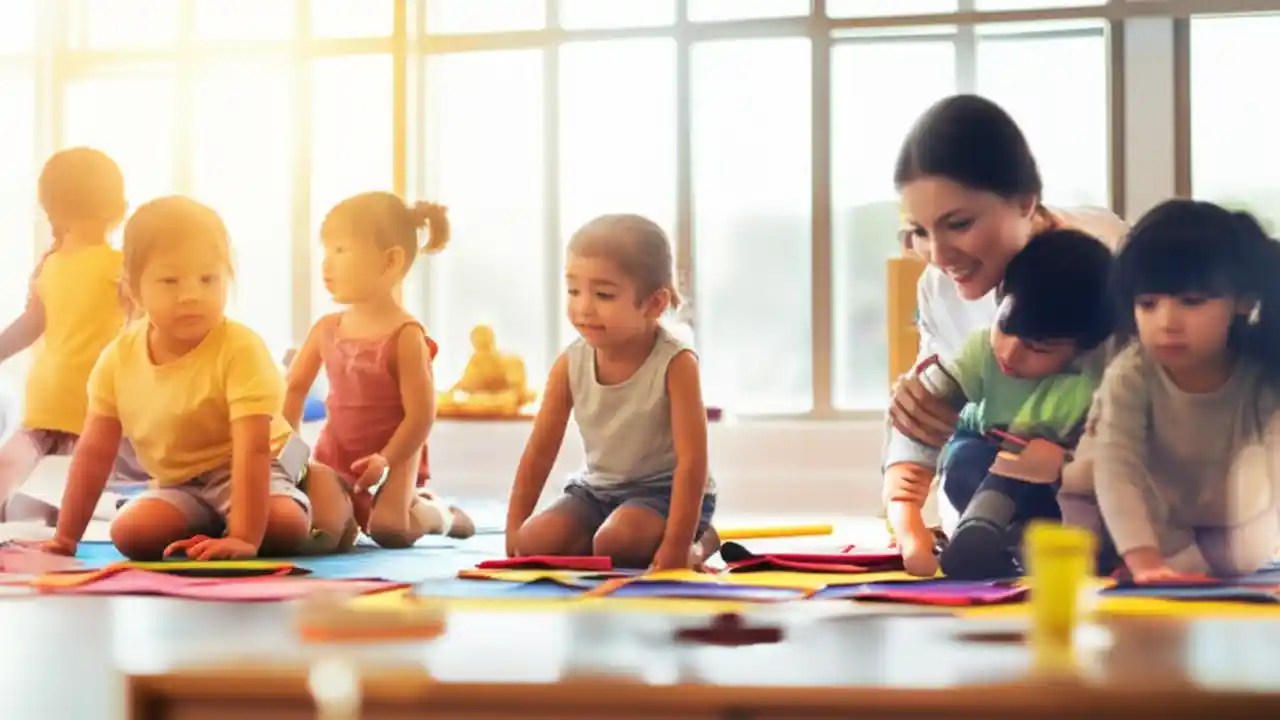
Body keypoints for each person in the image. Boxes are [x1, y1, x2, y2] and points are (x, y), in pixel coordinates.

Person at [882, 94, 1128, 564]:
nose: (938, 254)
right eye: (919, 230)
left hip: (1110, 489)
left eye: (959, 224)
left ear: (1024, 201)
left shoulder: (1110, 259)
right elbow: (929, 408)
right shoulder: (938, 287)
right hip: (993, 482)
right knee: (967, 463)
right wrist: (907, 513)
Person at [41, 196, 354, 560]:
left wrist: (244, 538)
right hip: (181, 483)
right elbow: (94, 453)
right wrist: (66, 536)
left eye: (208, 279)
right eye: (170, 280)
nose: (191, 295)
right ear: (133, 289)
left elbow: (251, 449)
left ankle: (317, 485)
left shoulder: (240, 348)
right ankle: (215, 525)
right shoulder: (118, 358)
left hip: (260, 463)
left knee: (282, 526)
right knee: (130, 533)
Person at [884, 229, 1114, 578]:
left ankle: (1022, 542)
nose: (1010, 353)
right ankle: (989, 535)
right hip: (985, 462)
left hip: (1058, 486)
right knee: (964, 461)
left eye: (1039, 349)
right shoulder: (980, 352)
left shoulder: (1092, 381)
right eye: (1005, 326)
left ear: (1079, 350)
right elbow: (923, 414)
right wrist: (908, 523)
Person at [505, 214, 717, 570]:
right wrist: (514, 529)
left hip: (662, 492)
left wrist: (677, 547)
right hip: (597, 491)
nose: (583, 307)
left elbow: (692, 462)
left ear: (654, 304)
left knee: (615, 541)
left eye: (603, 294)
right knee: (533, 543)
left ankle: (704, 537)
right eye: (573, 290)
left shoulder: (677, 364)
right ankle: (608, 531)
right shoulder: (570, 364)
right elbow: (540, 452)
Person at [1092, 200, 1280, 582]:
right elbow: (1117, 469)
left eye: (1191, 302)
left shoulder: (1261, 376)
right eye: (1148, 304)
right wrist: (1145, 561)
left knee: (1235, 562)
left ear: (1242, 302)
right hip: (1156, 522)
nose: (1167, 322)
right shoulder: (1131, 375)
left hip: (1236, 525)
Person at [284, 191, 474, 548]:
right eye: (326, 251)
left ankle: (440, 513)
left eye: (340, 251)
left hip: (396, 454)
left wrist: (386, 459)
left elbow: (421, 416)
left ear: (390, 262)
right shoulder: (326, 329)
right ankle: (349, 508)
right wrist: (290, 458)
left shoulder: (405, 335)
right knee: (323, 530)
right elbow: (293, 389)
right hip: (337, 453)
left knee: (390, 530)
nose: (327, 264)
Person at [0, 148, 129, 509]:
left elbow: (145, 328)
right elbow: (31, 324)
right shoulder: (50, 265)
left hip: (99, 416)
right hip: (45, 412)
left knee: (79, 498)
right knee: (9, 476)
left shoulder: (121, 268)